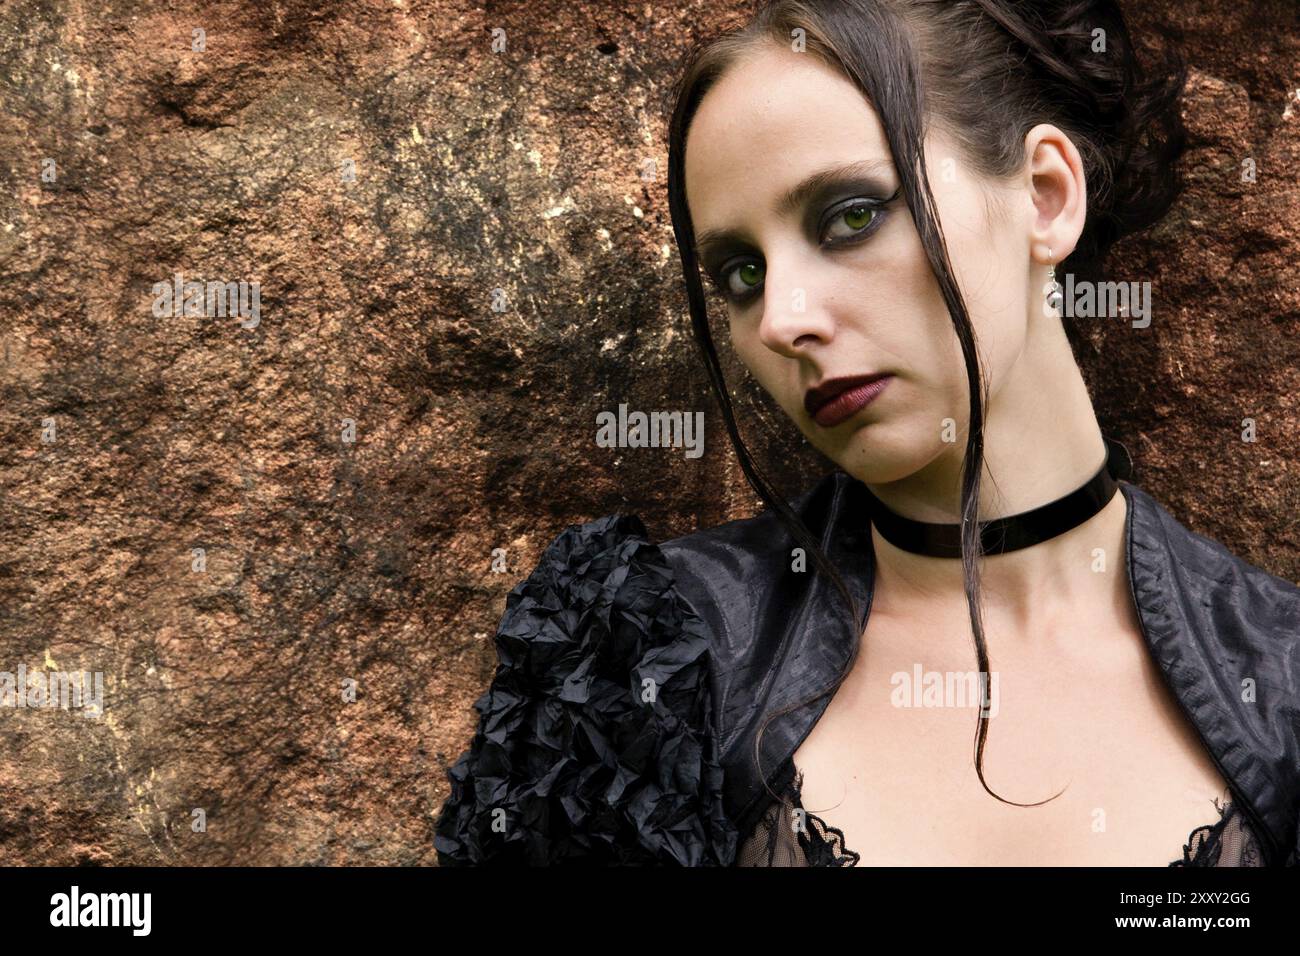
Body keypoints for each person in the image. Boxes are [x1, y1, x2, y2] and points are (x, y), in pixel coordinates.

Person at [434, 0, 1300, 866]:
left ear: (1046, 196)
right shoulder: (650, 661)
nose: (781, 320)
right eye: (741, 273)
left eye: (850, 216)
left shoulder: (1281, 685)